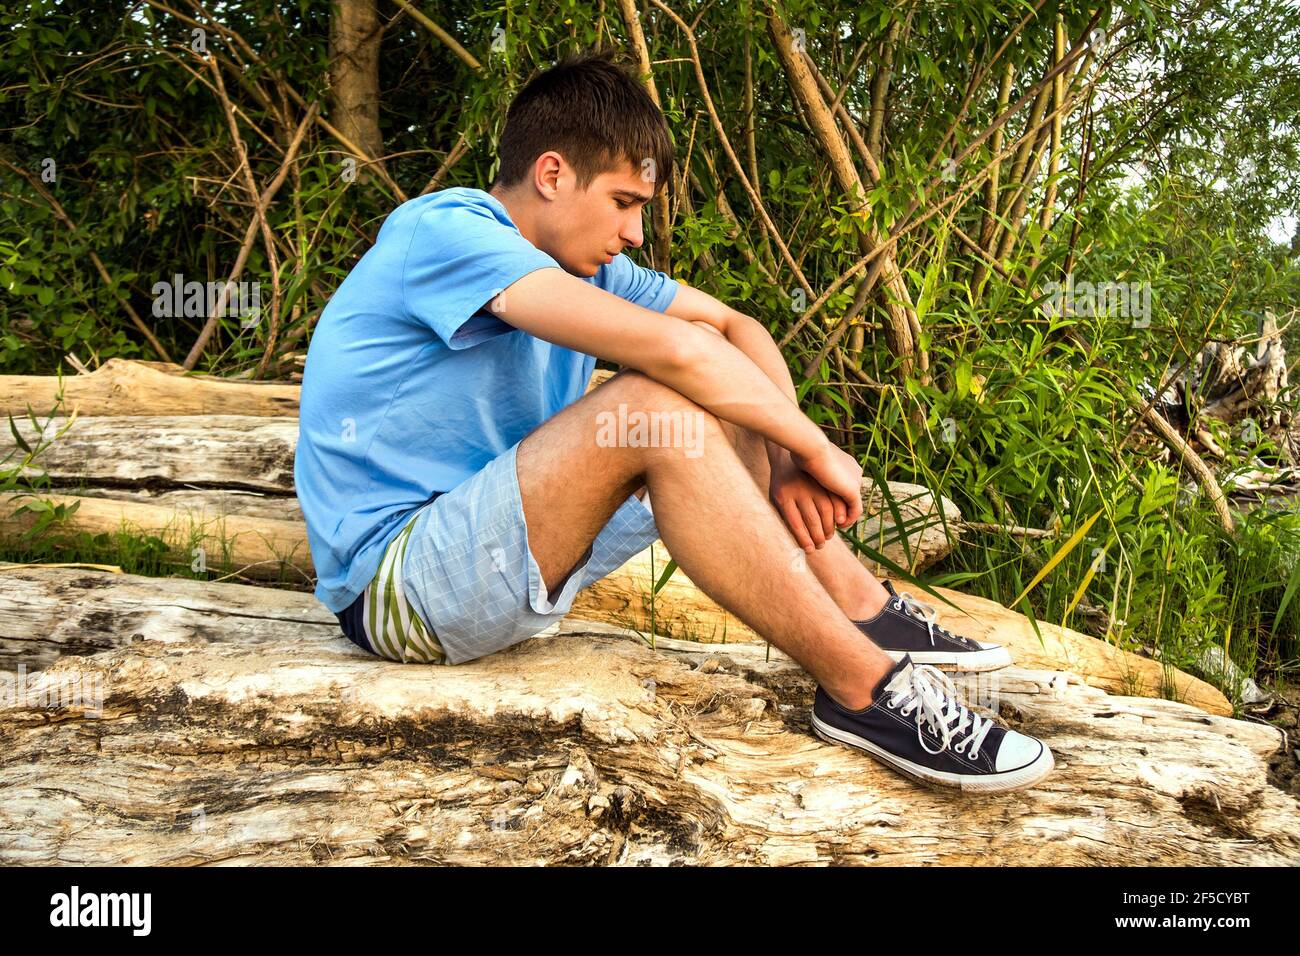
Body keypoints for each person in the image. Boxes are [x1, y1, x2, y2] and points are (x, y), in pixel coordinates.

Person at [295, 47, 1054, 794]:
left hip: (506, 549)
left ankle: (865, 610)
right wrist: (815, 445)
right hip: (398, 589)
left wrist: (785, 460)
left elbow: (733, 328)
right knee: (654, 401)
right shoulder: (445, 231)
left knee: (713, 390)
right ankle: (865, 692)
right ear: (552, 174)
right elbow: (673, 352)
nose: (633, 233)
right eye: (624, 203)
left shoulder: (587, 264)